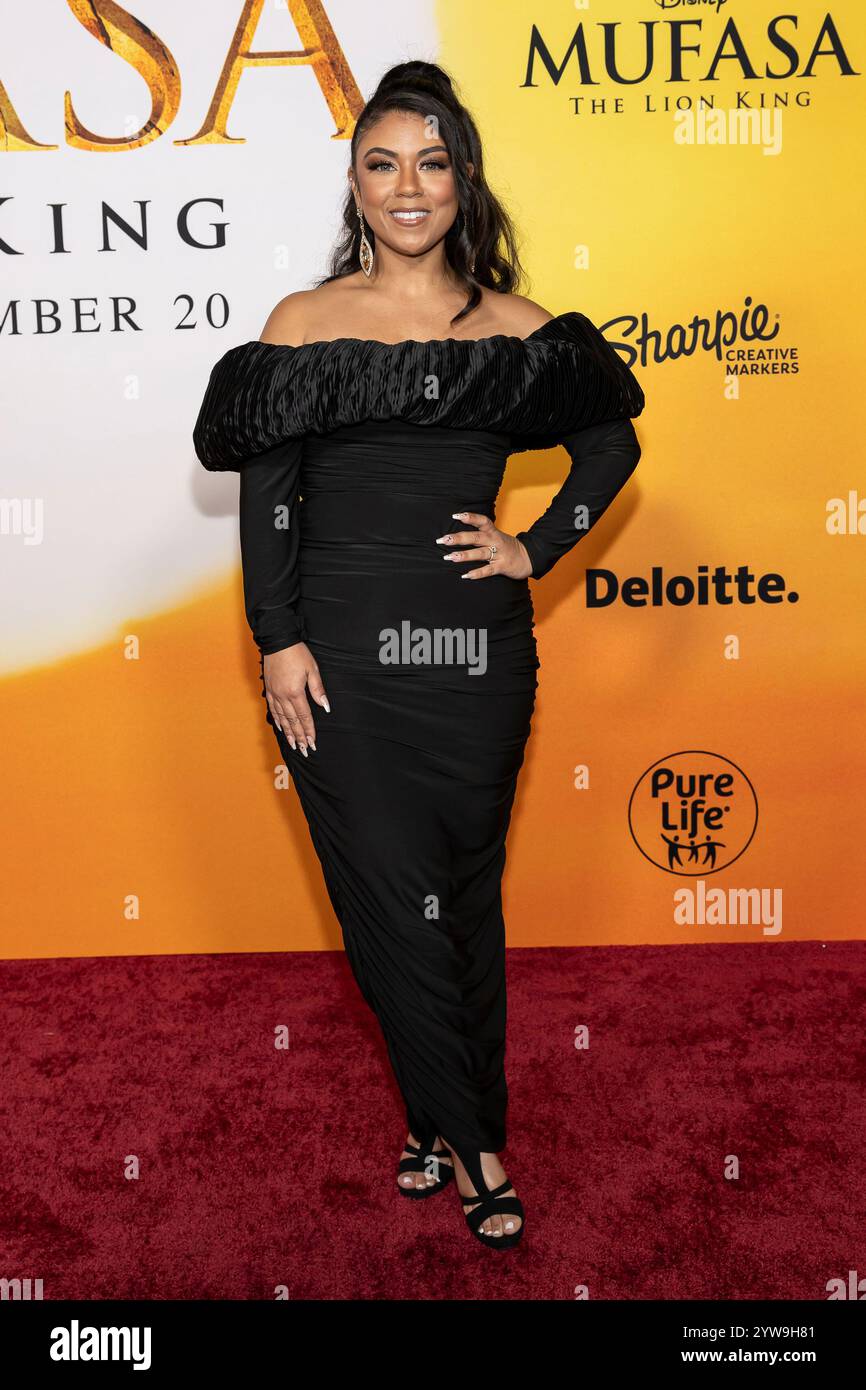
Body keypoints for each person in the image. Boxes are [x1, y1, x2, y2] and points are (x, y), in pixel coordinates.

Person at [193, 59, 645, 1250]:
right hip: (338, 660)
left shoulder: (516, 330)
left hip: (473, 663)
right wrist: (276, 641)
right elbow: (269, 498)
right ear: (354, 182)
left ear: (461, 182)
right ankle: (475, 1141)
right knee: (388, 896)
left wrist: (536, 545)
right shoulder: (303, 323)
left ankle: (425, 1114)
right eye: (382, 163)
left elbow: (610, 446)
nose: (408, 187)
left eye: (431, 164)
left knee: (462, 901)